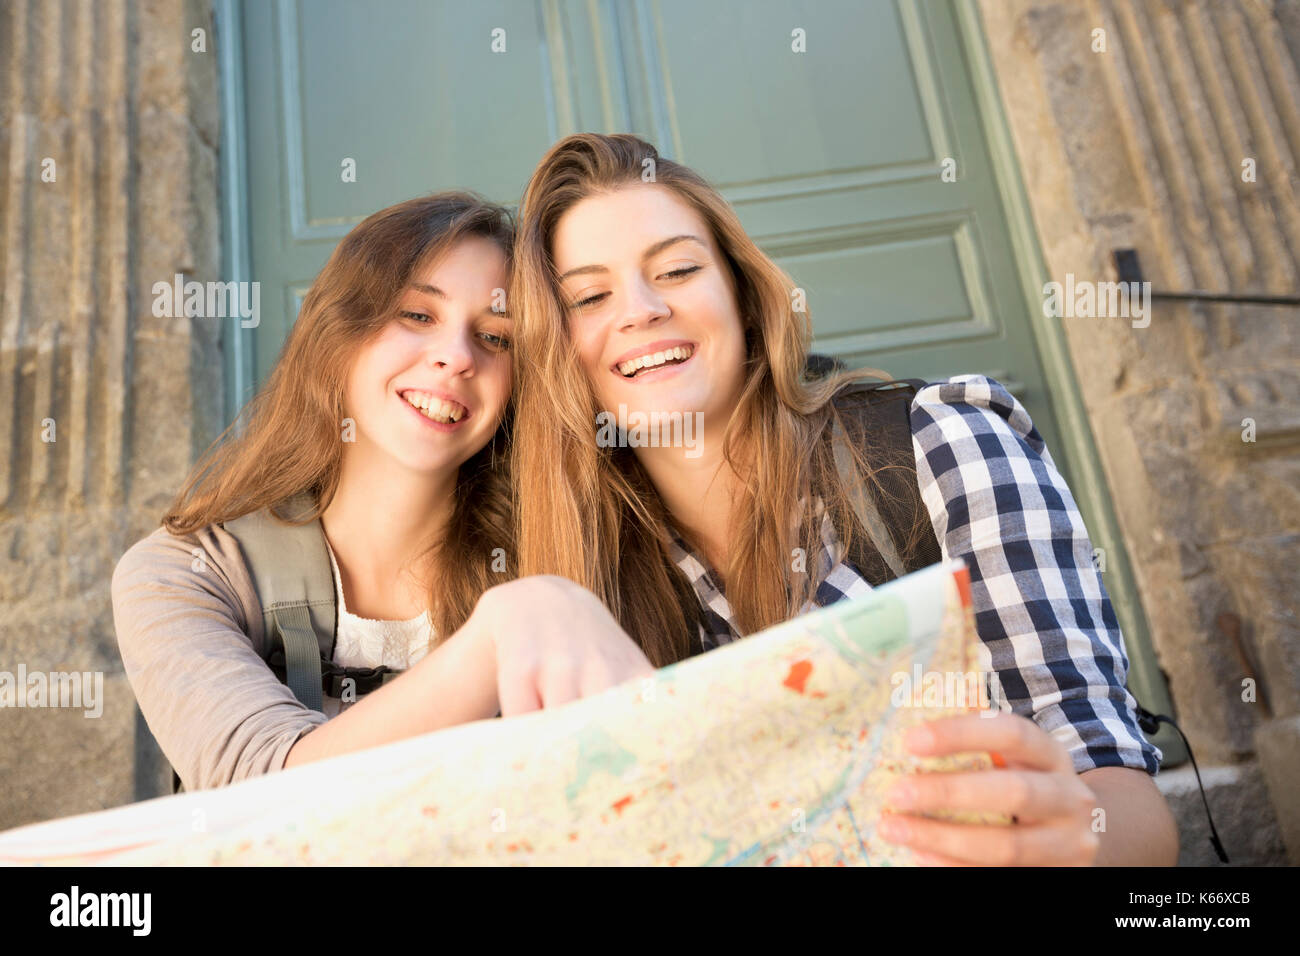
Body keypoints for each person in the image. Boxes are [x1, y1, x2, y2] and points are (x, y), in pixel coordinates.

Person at [508, 133, 1179, 865]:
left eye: (676, 269)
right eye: (590, 296)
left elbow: (1123, 805)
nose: (639, 310)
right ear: (554, 348)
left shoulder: (942, 445)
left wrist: (1072, 841)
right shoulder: (583, 566)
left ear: (744, 295)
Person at [112, 193, 653, 792]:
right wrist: (497, 638)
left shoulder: (558, 557)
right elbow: (257, 792)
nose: (455, 357)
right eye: (418, 316)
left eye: (496, 337)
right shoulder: (180, 575)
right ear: (337, 335)